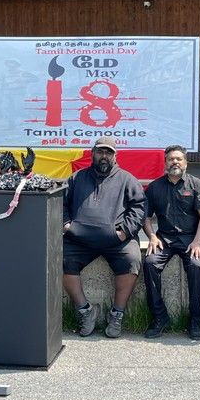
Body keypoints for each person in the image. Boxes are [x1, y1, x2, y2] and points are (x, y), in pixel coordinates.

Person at [62, 137, 146, 338]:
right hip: (78, 239)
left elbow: (139, 208)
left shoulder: (127, 179)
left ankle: (117, 314)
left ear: (115, 156)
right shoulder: (77, 178)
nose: (104, 156)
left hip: (116, 240)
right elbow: (61, 203)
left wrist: (123, 232)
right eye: (100, 152)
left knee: (132, 260)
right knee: (59, 258)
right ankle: (85, 311)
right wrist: (66, 225)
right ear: (92, 153)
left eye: (108, 153)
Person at [142, 145, 200, 340]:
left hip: (191, 239)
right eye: (171, 159)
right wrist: (152, 237)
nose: (175, 162)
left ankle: (196, 318)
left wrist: (198, 241)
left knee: (197, 266)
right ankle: (159, 317)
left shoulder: (197, 185)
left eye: (179, 159)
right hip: (164, 238)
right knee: (149, 263)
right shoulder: (155, 187)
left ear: (186, 163)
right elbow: (145, 217)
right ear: (165, 163)